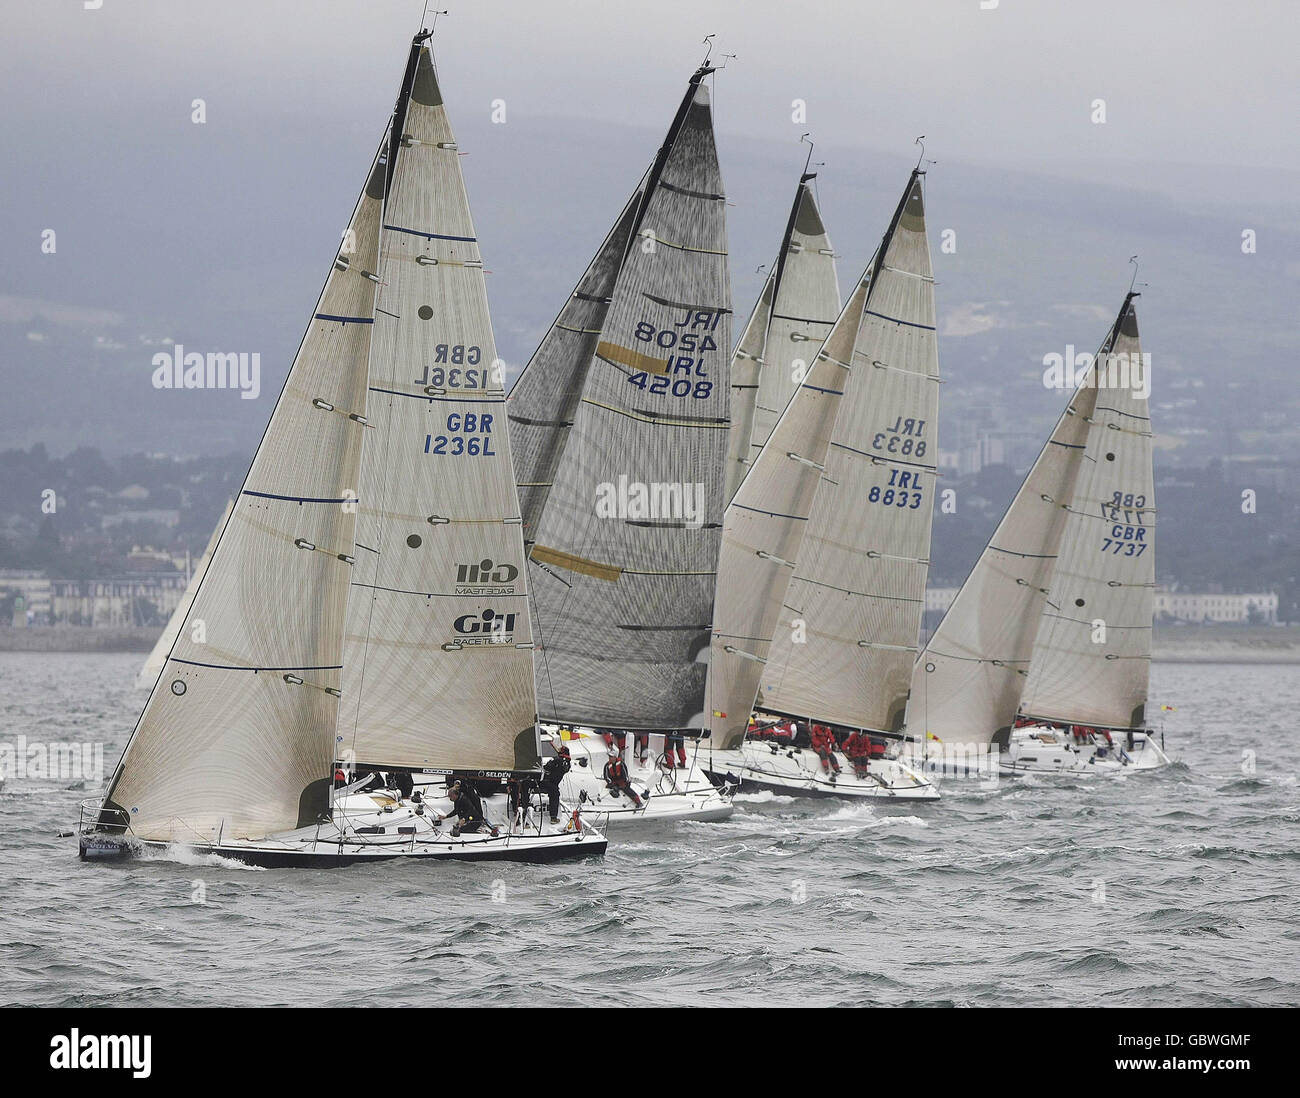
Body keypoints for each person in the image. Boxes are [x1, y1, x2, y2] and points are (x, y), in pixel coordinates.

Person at [540, 744, 571, 824]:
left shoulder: (556, 760)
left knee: (554, 793)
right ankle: (553, 818)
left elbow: (546, 767)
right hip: (553, 784)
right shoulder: (567, 763)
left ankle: (553, 818)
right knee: (555, 794)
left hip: (545, 782)